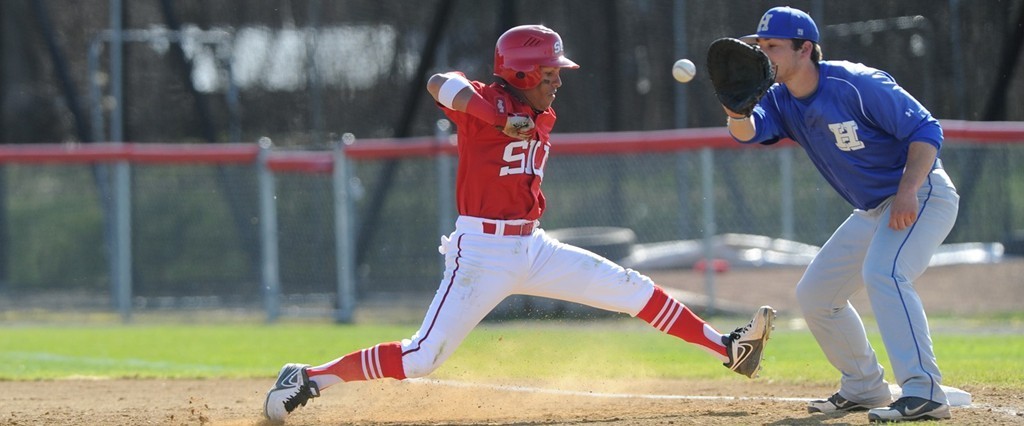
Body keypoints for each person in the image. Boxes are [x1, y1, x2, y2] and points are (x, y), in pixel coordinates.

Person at [263, 24, 776, 422]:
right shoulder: (485, 104)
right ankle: (308, 377)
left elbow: (510, 112)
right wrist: (492, 114)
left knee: (632, 288)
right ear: (524, 74)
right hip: (480, 253)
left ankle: (728, 349)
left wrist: (507, 114)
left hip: (532, 247)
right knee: (421, 358)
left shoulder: (540, 114)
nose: (557, 81)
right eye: (549, 73)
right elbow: (439, 82)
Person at [720, 7, 960, 423]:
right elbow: (748, 133)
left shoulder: (856, 84)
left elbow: (926, 130)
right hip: (872, 210)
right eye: (759, 47)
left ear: (805, 49)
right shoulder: (778, 98)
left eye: (772, 46)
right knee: (816, 294)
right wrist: (733, 108)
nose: (763, 55)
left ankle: (924, 392)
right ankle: (864, 386)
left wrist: (907, 192)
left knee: (884, 273)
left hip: (920, 193)